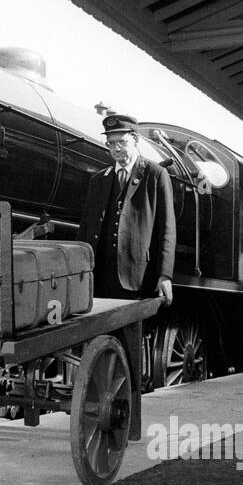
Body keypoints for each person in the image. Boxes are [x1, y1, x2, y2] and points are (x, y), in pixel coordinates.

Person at [76, 113, 176, 408]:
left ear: (135, 142)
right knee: (97, 338)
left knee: (128, 342)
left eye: (121, 142)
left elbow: (166, 228)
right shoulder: (99, 179)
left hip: (135, 275)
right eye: (111, 144)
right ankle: (98, 400)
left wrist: (164, 275)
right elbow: (85, 228)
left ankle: (128, 406)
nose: (116, 149)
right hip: (101, 275)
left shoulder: (156, 175)